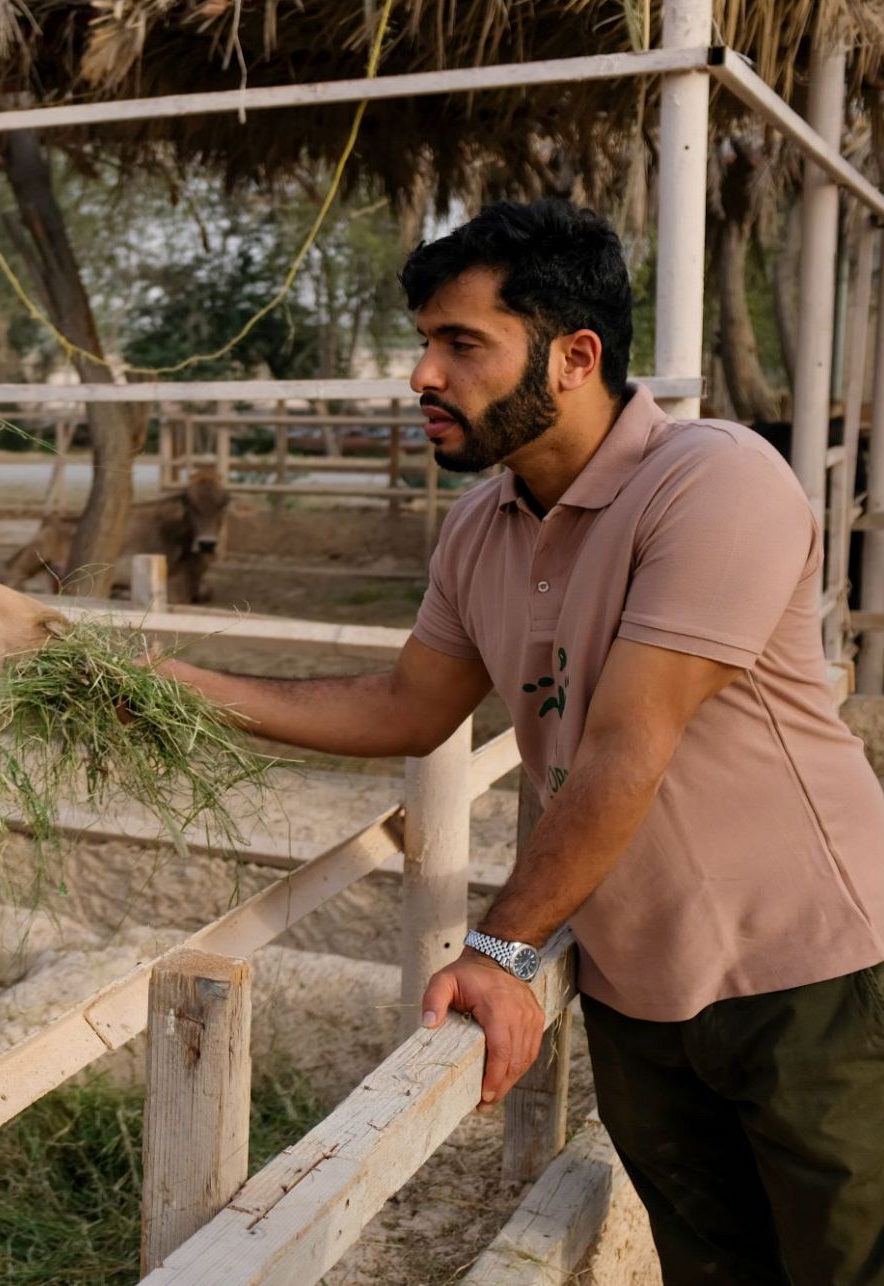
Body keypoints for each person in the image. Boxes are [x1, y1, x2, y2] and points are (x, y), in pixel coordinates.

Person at [160, 200, 884, 1284]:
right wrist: (174, 690)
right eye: (423, 344)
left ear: (574, 355)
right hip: (638, 992)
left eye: (461, 344)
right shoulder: (481, 525)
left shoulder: (714, 480)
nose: (421, 375)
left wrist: (499, 948)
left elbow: (624, 749)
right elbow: (406, 706)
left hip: (813, 974)